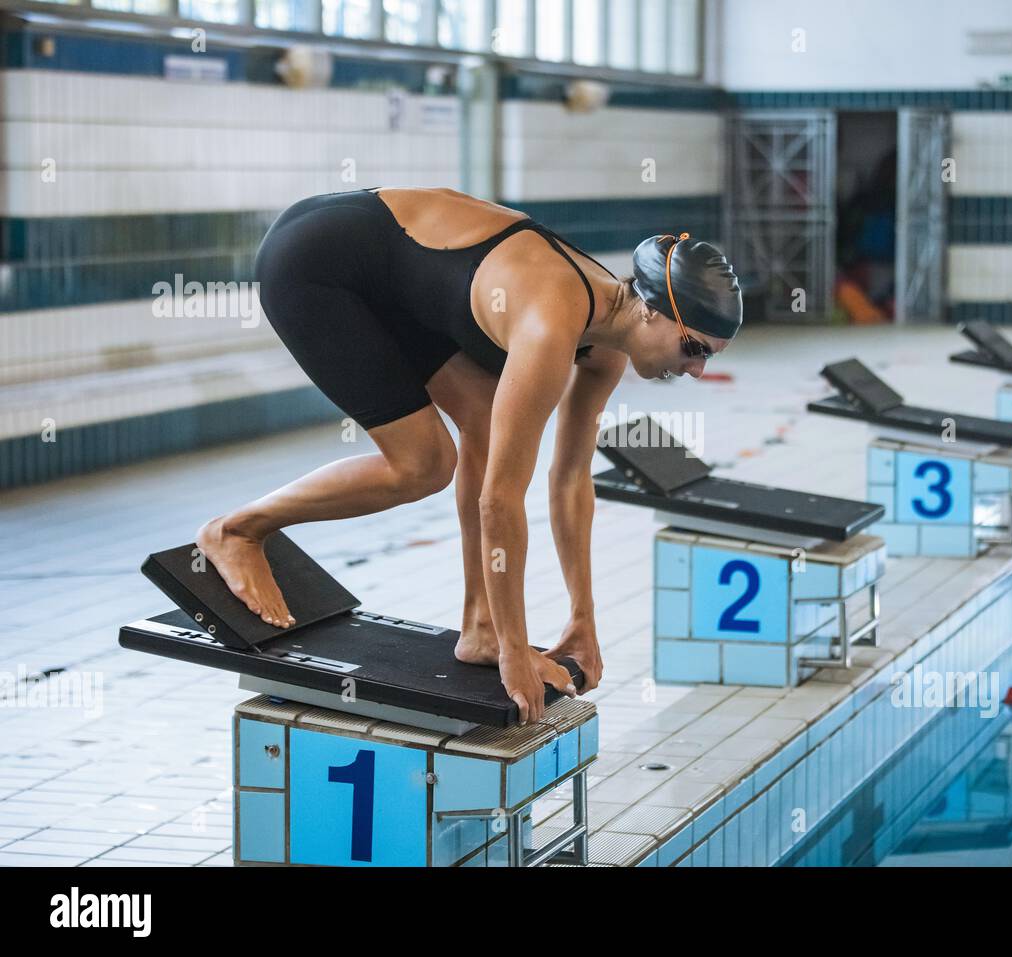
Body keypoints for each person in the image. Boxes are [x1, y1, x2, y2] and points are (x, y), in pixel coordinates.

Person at [195, 186, 743, 722]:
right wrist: (515, 648)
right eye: (692, 348)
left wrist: (583, 618)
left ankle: (478, 626)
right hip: (318, 260)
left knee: (482, 419)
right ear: (650, 309)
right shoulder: (553, 321)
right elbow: (500, 501)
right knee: (423, 465)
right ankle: (237, 530)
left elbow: (571, 479)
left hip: (393, 271)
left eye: (706, 357)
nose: (696, 370)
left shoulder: (605, 346)